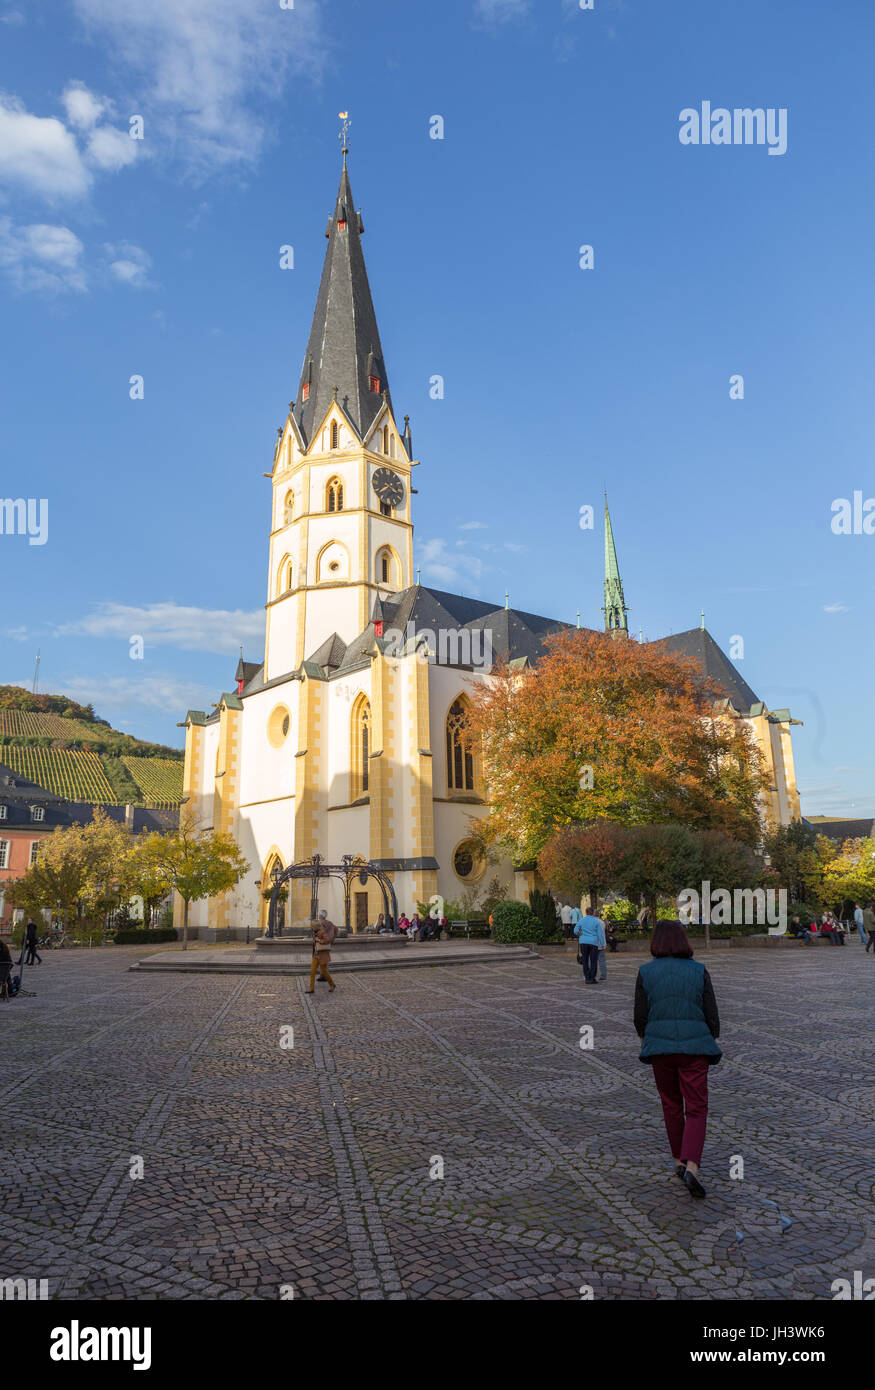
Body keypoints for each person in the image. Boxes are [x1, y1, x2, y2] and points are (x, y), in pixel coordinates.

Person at [634, 920, 721, 1200]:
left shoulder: (645, 972)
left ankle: (679, 1161)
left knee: (671, 1104)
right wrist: (711, 1036)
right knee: (696, 1107)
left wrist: (646, 1039)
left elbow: (640, 1016)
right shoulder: (699, 970)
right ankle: (692, 1166)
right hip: (695, 1048)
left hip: (660, 1048)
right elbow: (711, 1013)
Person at [305, 910, 336, 994]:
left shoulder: (321, 932)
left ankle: (332, 984)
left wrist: (319, 940)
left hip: (322, 955)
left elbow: (327, 940)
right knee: (312, 971)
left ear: (315, 927)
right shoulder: (314, 933)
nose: (311, 927)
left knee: (324, 972)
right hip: (316, 955)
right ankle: (311, 988)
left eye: (312, 926)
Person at [574, 904, 606, 985]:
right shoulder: (596, 921)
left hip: (583, 942)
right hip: (593, 942)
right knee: (593, 961)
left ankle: (587, 978)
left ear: (586, 912)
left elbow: (575, 930)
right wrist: (603, 944)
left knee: (585, 960)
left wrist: (580, 934)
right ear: (592, 913)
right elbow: (600, 934)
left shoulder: (581, 920)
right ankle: (592, 978)